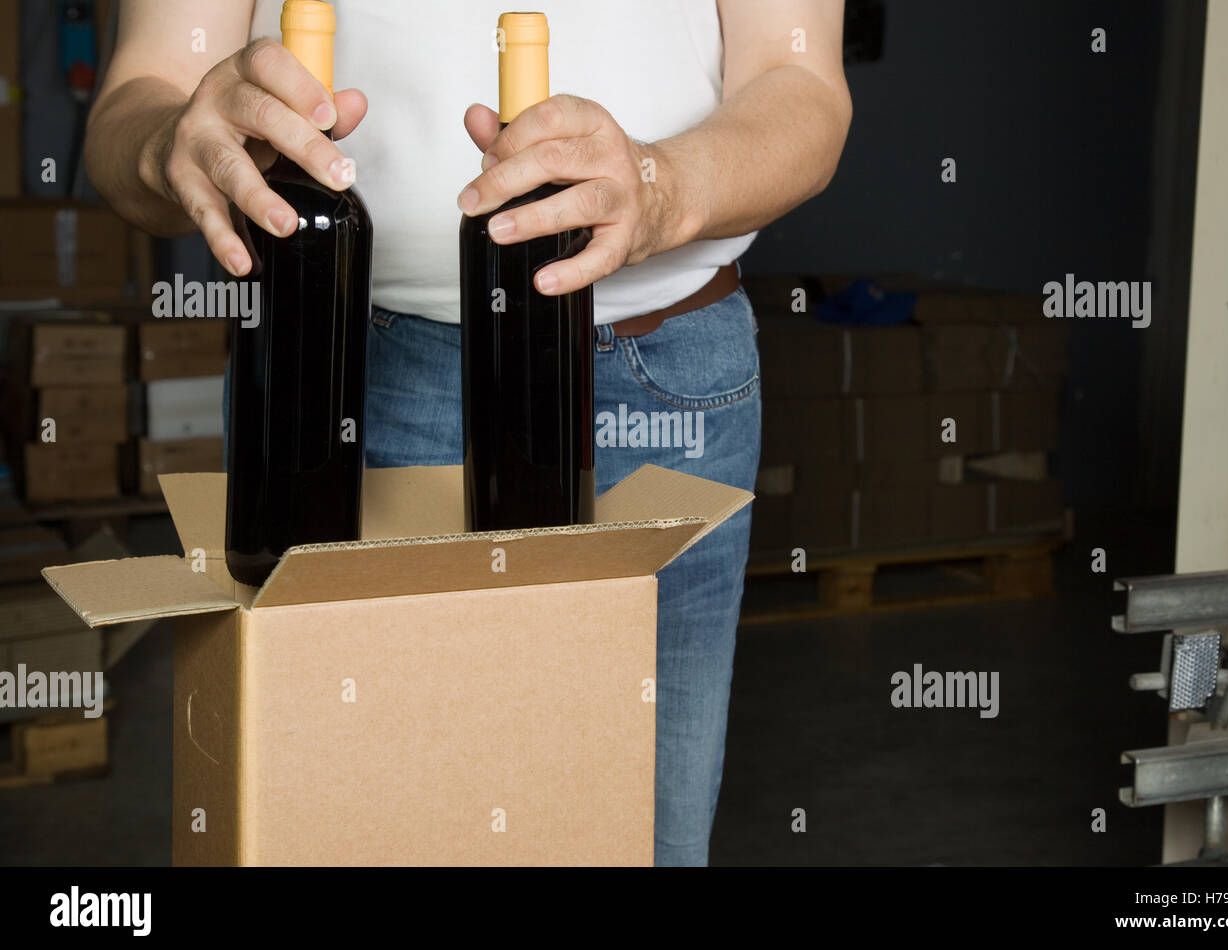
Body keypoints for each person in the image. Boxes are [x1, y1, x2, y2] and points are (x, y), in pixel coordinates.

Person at [85, 0, 851, 866]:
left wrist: (660, 186)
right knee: (356, 833)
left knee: (637, 841)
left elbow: (802, 85)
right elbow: (139, 95)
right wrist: (170, 142)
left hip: (661, 389)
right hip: (341, 378)